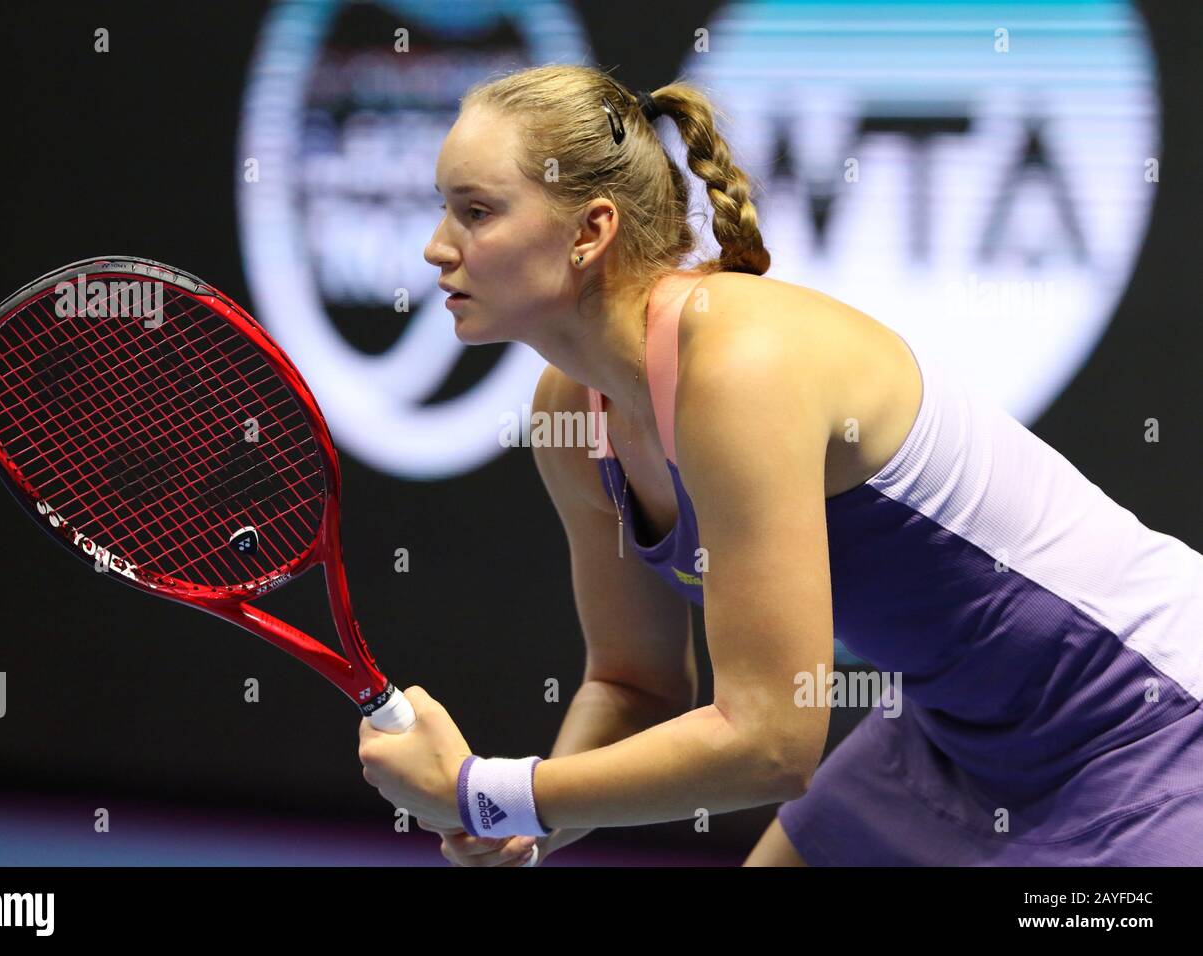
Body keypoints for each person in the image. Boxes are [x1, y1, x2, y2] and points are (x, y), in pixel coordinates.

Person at [356, 64, 1203, 867]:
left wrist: (486, 793)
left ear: (590, 231)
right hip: (950, 733)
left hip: (1149, 715)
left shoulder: (738, 363)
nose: (437, 246)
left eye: (476, 211)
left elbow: (770, 742)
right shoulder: (571, 415)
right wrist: (526, 827)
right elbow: (634, 683)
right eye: (444, 209)